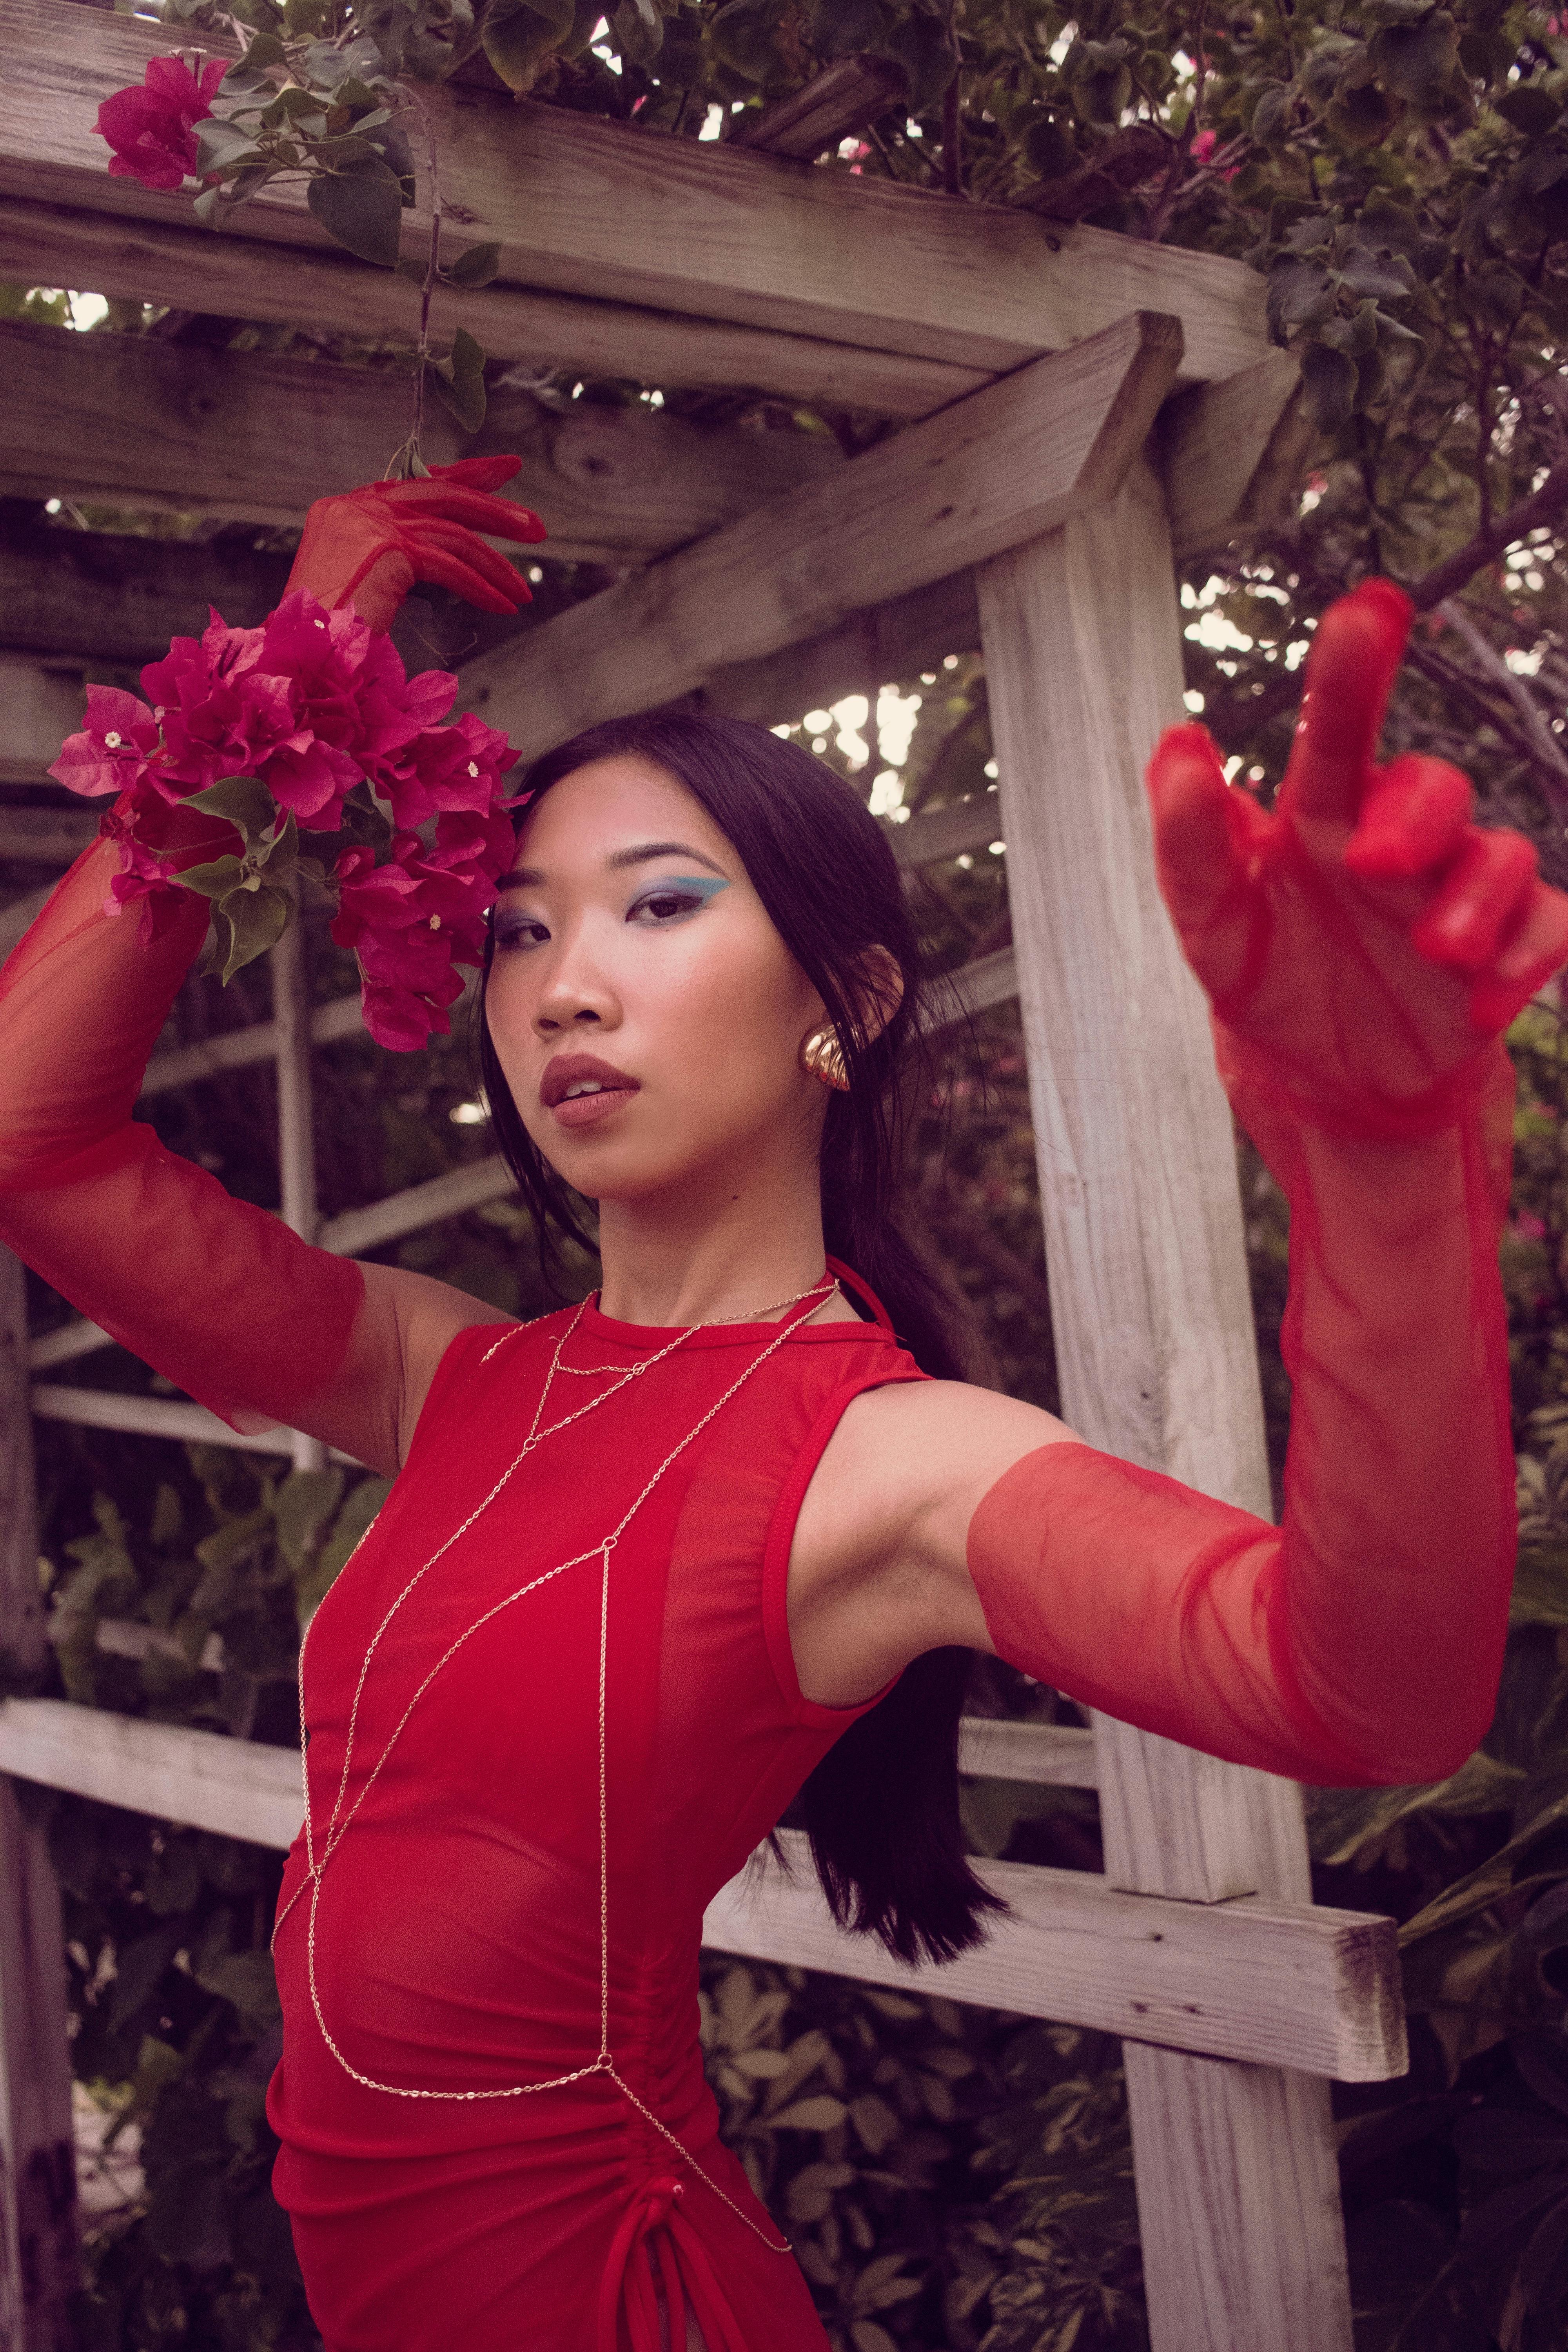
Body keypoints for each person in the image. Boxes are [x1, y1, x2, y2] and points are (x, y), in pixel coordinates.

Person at [0, 463, 1562, 2352]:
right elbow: (37, 1137)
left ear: (854, 1001)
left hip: (600, 2295)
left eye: (657, 906)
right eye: (516, 931)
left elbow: (1365, 1693)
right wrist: (293, 667)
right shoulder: (450, 1372)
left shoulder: (882, 1459)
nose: (565, 986)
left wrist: (1384, 1173)